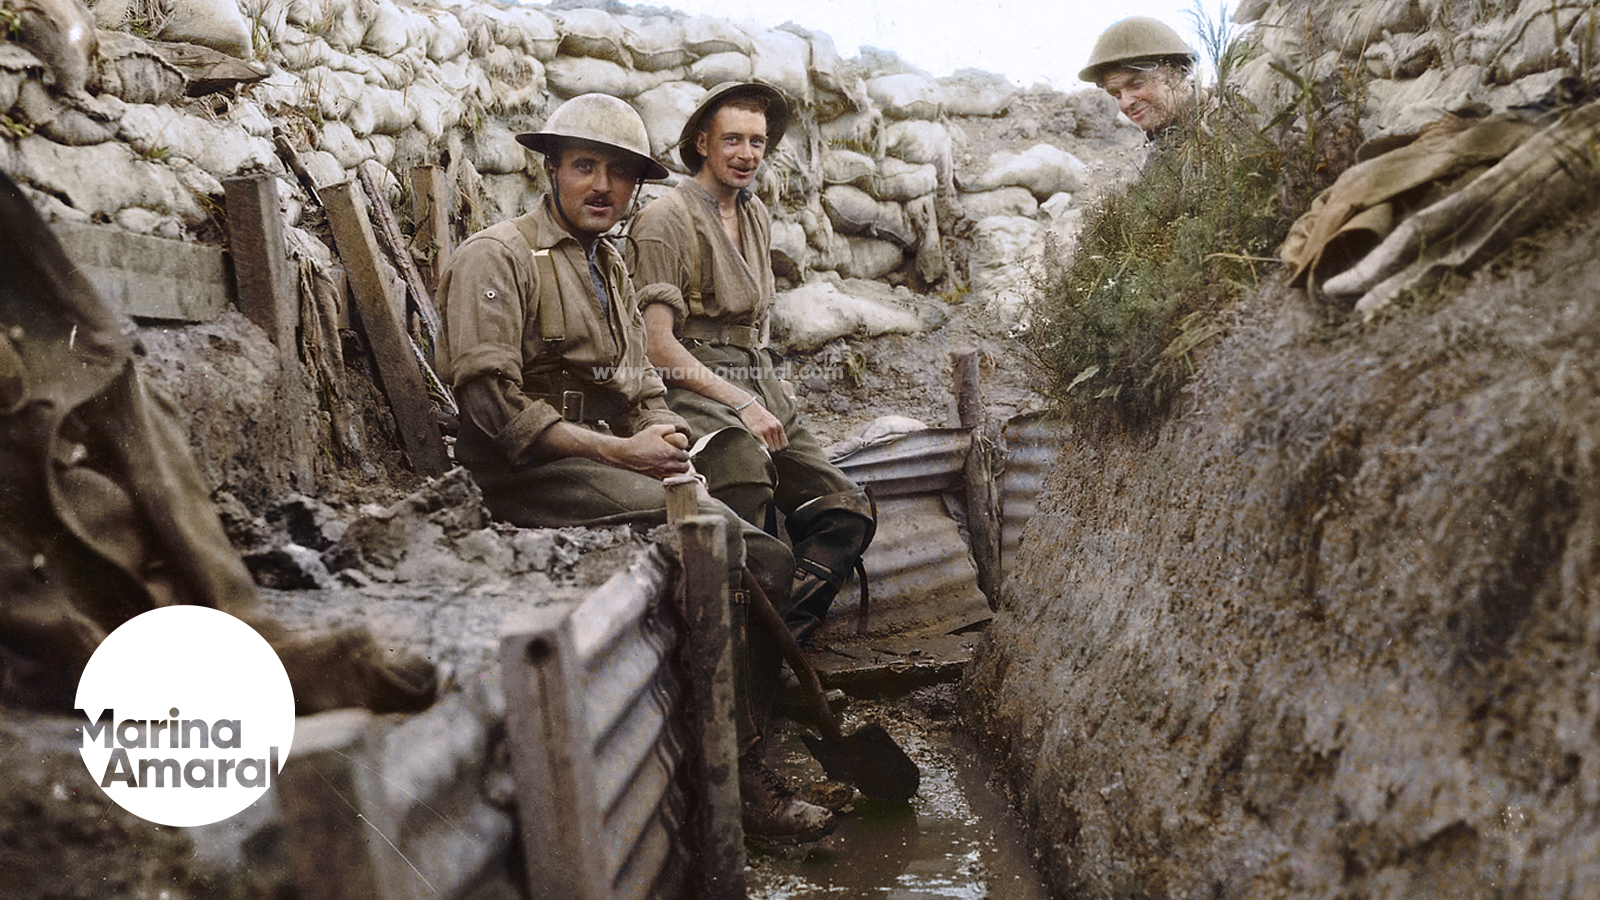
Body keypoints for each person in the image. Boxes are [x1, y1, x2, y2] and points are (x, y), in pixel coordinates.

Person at [433, 93, 836, 842]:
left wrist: (664, 434)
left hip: (609, 460)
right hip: (526, 476)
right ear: (551, 168)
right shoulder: (499, 255)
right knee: (729, 544)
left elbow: (642, 383)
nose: (602, 188)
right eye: (585, 166)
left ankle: (746, 740)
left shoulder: (608, 264)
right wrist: (620, 453)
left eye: (619, 175)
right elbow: (491, 405)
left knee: (771, 556)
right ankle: (740, 782)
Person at [627, 82, 876, 649]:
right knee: (742, 469)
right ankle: (727, 651)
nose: (746, 154)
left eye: (758, 142)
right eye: (732, 140)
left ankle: (776, 645)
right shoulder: (667, 218)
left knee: (845, 509)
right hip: (688, 375)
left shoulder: (755, 212)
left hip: (752, 369)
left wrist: (764, 383)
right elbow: (657, 344)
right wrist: (740, 401)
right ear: (702, 143)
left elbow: (753, 317)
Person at [1080, 16, 1199, 139]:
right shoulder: (1159, 141)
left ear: (1176, 71)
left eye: (1136, 85)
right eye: (1116, 95)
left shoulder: (1217, 126)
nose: (1126, 103)